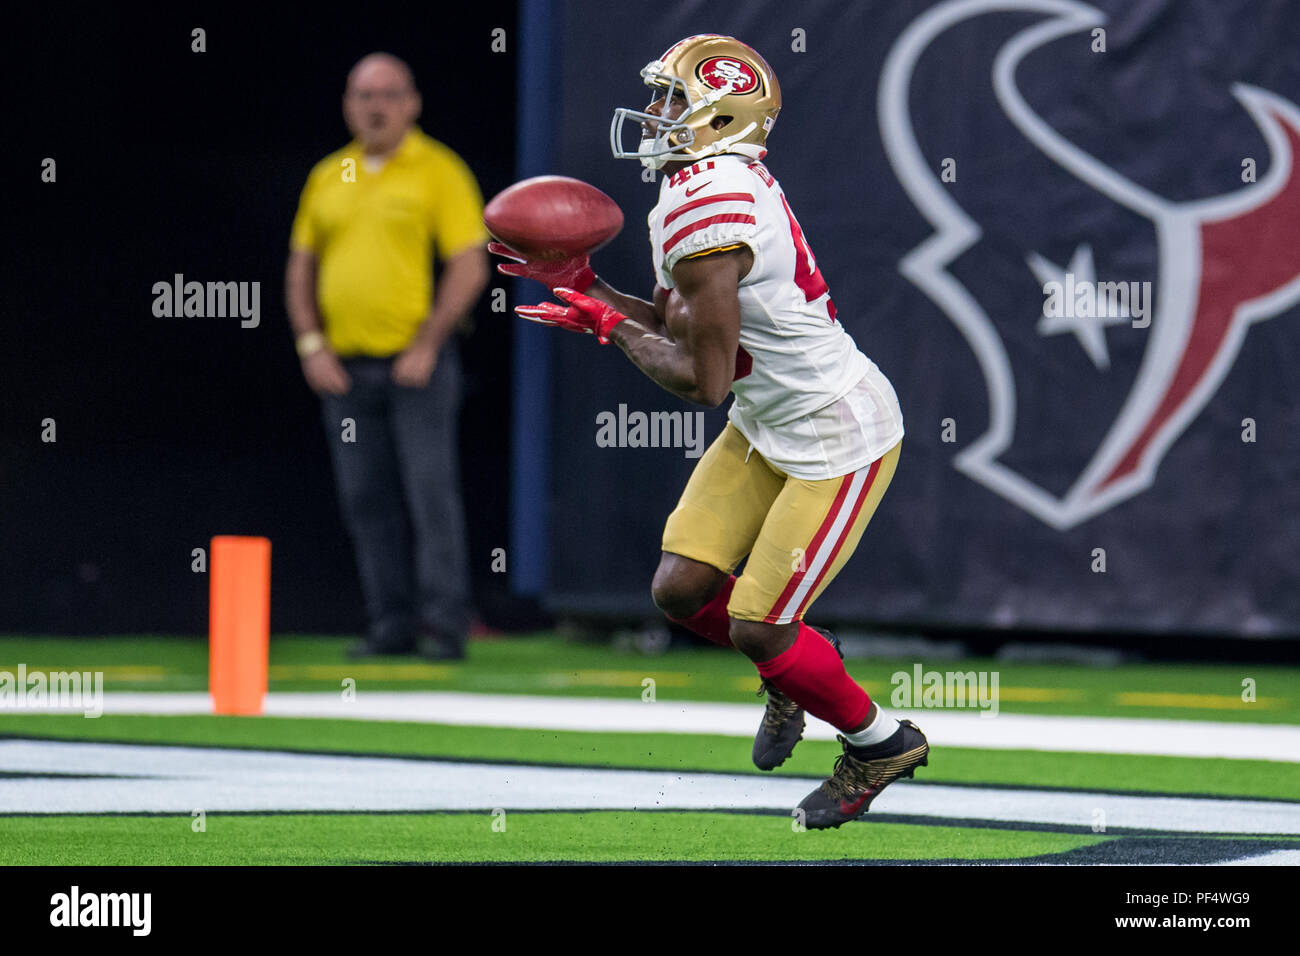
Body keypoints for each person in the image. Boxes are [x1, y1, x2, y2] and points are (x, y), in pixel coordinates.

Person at [494, 35, 927, 828]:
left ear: (720, 117)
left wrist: (601, 325)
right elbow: (678, 322)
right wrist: (589, 288)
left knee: (759, 625)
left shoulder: (709, 207)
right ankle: (798, 666)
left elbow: (702, 381)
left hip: (836, 434)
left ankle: (879, 741)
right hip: (768, 421)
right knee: (680, 588)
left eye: (671, 100)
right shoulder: (692, 189)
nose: (653, 113)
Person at [286, 52, 489, 660]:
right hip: (344, 370)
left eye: (388, 94)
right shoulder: (330, 173)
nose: (374, 106)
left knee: (430, 495)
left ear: (412, 103)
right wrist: (310, 344)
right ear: (348, 103)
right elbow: (301, 266)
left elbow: (470, 263)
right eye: (363, 95)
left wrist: (428, 340)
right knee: (365, 498)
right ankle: (389, 624)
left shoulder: (438, 170)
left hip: (416, 366)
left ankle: (444, 627)